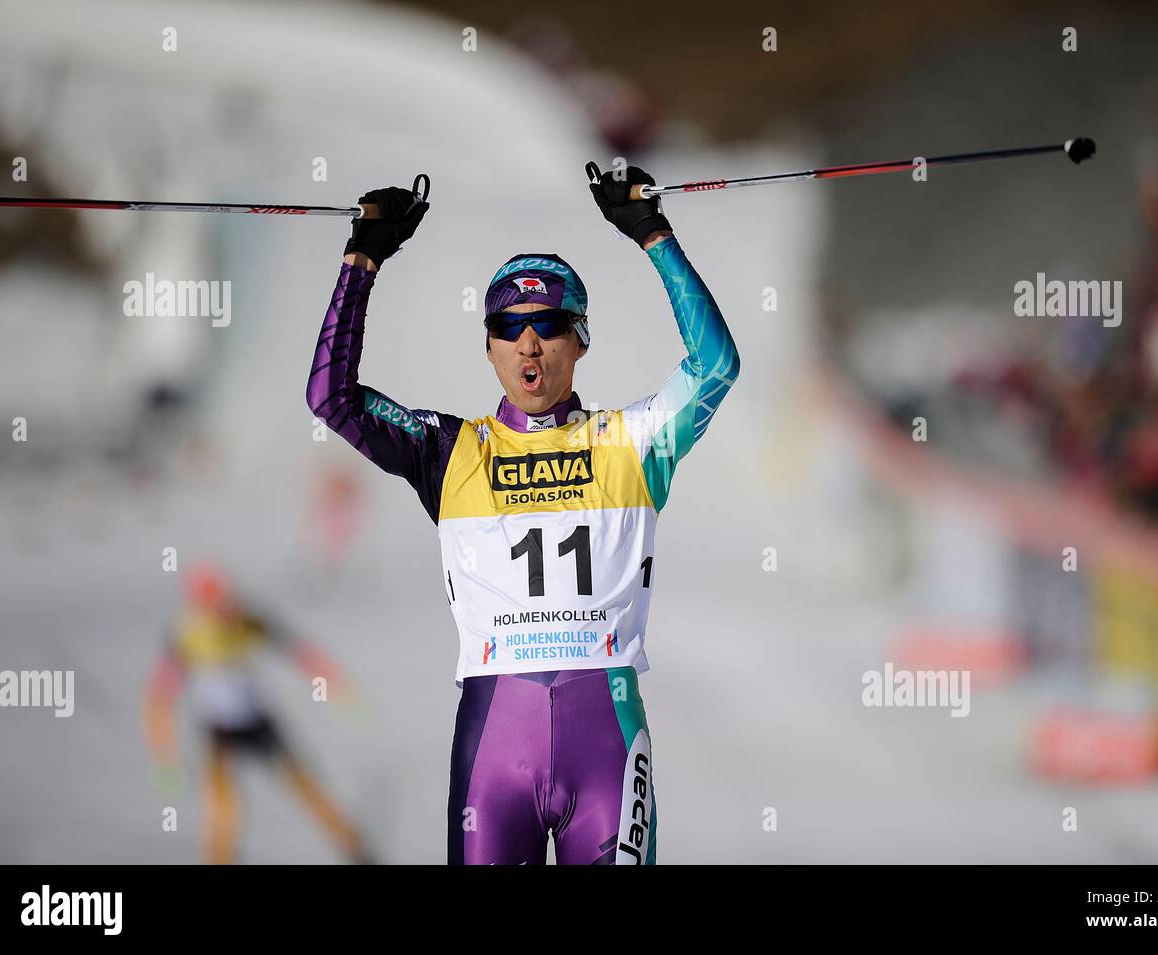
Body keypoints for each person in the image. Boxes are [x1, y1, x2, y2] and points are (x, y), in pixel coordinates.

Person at [306, 162, 740, 864]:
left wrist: (653, 234)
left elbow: (716, 364)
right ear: (489, 346)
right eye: (508, 326)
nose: (529, 343)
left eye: (548, 324)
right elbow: (333, 398)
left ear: (580, 339)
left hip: (605, 738)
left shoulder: (630, 441)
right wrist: (364, 257)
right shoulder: (452, 451)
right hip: (494, 748)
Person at [143, 560, 371, 864]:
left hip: (257, 721)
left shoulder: (249, 619)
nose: (222, 610)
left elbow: (301, 652)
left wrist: (338, 689)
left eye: (223, 601)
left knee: (308, 787)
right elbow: (160, 698)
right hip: (219, 730)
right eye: (213, 605)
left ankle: (357, 851)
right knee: (224, 810)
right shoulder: (187, 634)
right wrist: (164, 758)